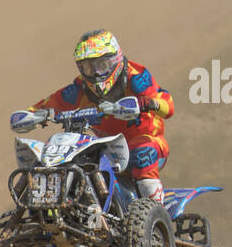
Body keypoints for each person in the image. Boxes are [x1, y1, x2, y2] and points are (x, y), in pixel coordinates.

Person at [31, 29, 174, 201]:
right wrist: (30, 115)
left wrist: (150, 103)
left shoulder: (136, 78)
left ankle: (155, 215)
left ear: (116, 60)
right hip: (107, 149)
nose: (96, 73)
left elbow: (169, 107)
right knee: (72, 160)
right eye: (89, 67)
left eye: (102, 65)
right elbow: (49, 103)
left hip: (148, 144)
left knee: (142, 152)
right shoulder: (78, 89)